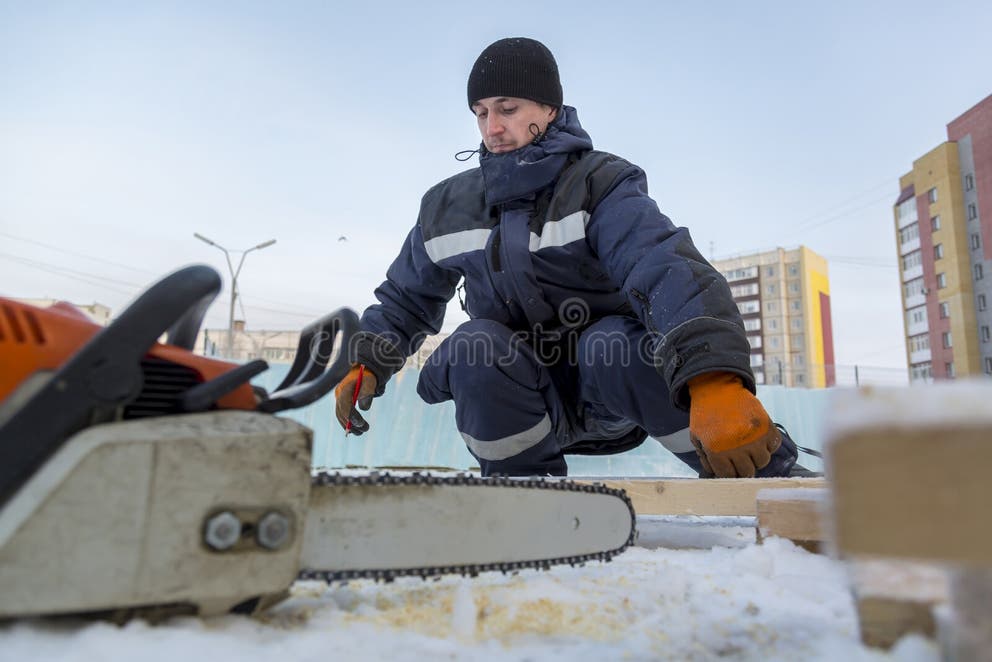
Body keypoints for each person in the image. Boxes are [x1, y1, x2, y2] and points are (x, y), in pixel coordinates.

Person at [333, 37, 799, 479]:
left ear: (550, 108)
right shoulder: (447, 208)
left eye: (508, 109)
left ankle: (767, 477)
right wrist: (368, 361)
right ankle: (525, 501)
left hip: (610, 387)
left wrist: (713, 377)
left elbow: (661, 266)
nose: (493, 127)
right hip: (512, 391)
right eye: (481, 113)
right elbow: (405, 300)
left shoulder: (600, 183)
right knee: (475, 347)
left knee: (611, 342)